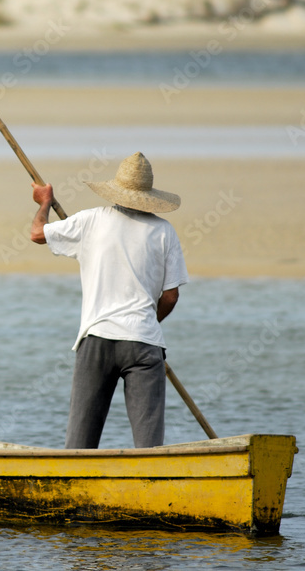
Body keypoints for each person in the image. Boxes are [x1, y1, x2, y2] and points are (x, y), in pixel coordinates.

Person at [30, 152, 188, 449]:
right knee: (149, 449)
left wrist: (44, 204)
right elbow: (171, 296)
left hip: (97, 340)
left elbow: (37, 233)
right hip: (144, 342)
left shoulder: (92, 220)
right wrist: (146, 324)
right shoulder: (165, 232)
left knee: (79, 446)